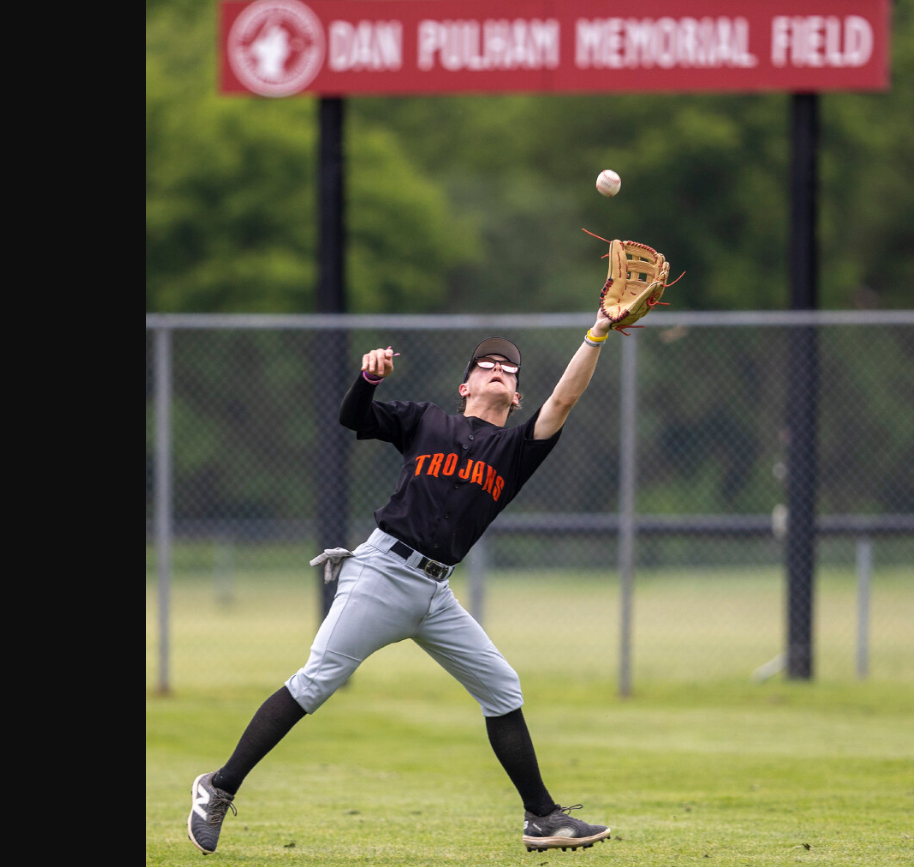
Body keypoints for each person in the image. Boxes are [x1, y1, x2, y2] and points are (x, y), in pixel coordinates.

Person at [187, 308, 618, 856]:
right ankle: (217, 788)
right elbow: (353, 418)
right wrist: (368, 379)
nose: (496, 369)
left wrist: (598, 330)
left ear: (514, 396)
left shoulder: (514, 451)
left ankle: (542, 818)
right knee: (314, 683)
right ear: (464, 386)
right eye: (485, 364)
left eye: (507, 369)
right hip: (381, 574)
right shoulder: (427, 421)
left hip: (435, 594)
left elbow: (562, 400)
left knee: (502, 688)